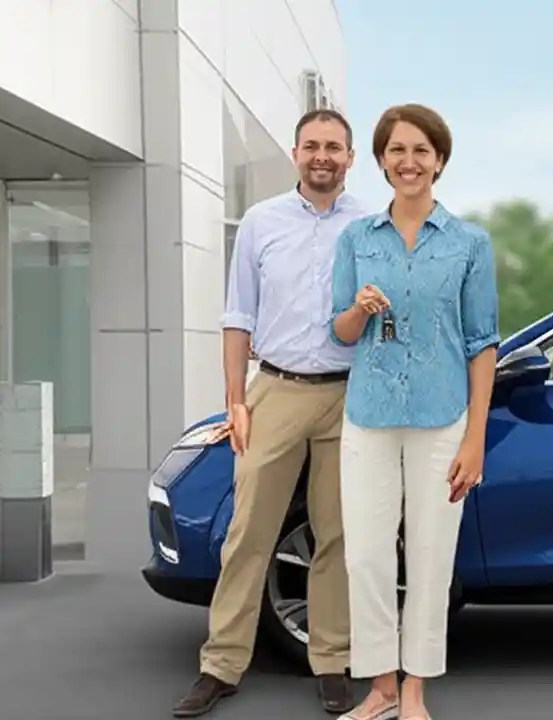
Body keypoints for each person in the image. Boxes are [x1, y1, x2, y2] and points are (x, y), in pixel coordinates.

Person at [173, 108, 369, 718]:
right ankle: (222, 665)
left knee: (336, 533)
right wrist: (236, 398)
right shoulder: (261, 223)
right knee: (248, 533)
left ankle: (331, 661)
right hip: (276, 392)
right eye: (312, 145)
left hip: (349, 394)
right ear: (295, 154)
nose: (322, 156)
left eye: (334, 147)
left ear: (350, 158)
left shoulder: (371, 225)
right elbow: (239, 317)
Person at [328, 103, 500, 720]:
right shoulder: (355, 240)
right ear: (380, 162)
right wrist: (359, 309)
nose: (410, 162)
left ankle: (416, 695)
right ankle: (379, 688)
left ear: (440, 161)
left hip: (442, 418)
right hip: (369, 415)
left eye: (421, 151)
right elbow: (340, 331)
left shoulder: (469, 243)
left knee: (431, 557)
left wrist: (474, 438)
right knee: (367, 556)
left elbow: (483, 342)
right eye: (397, 150)